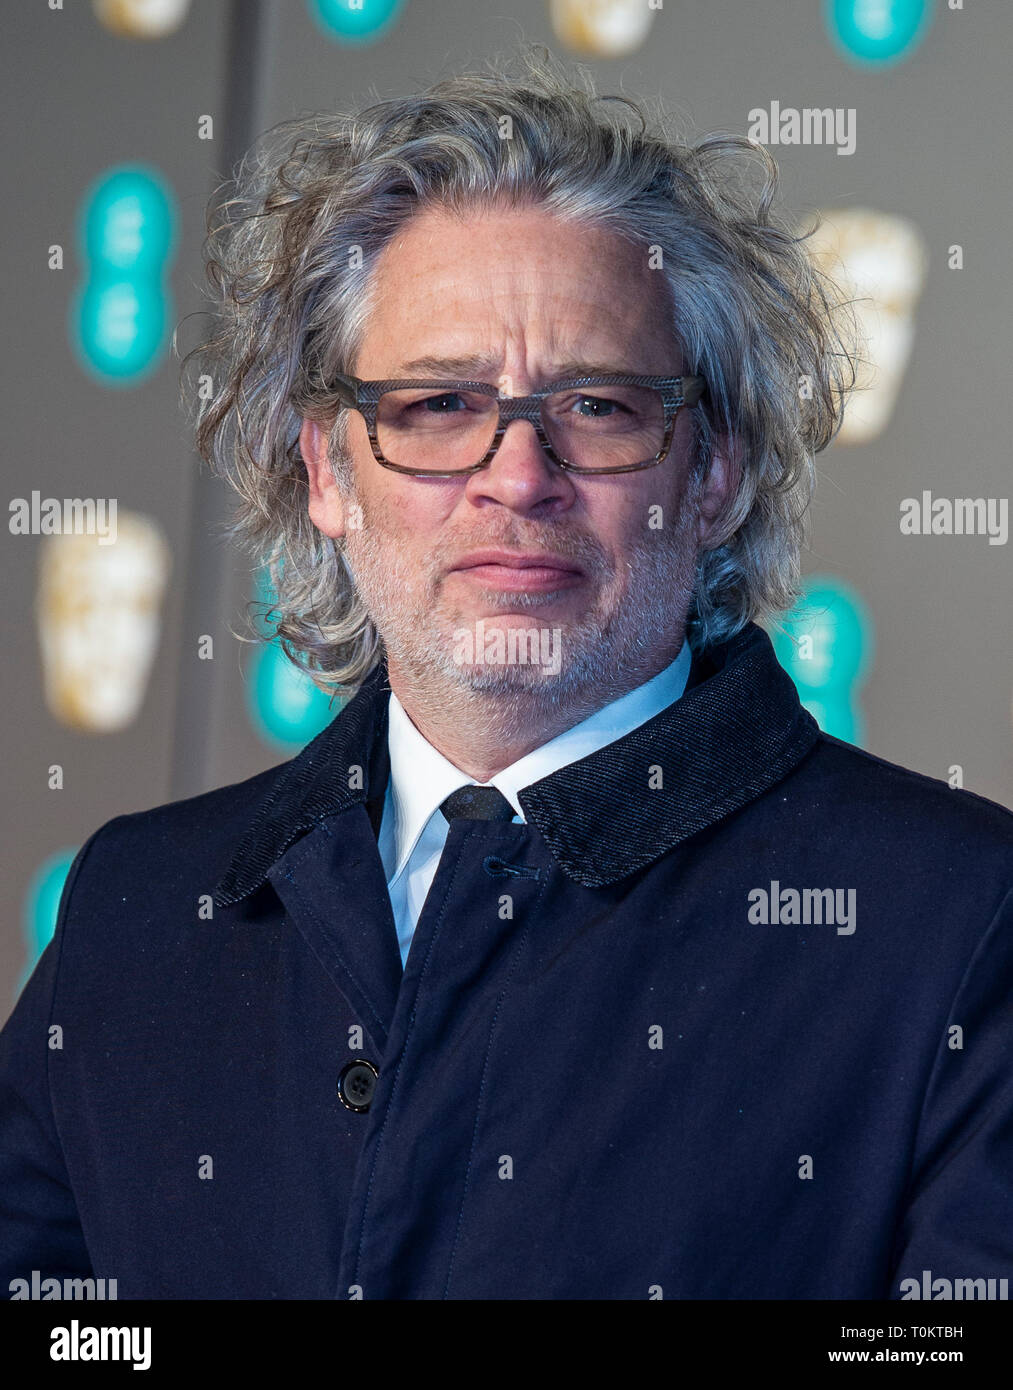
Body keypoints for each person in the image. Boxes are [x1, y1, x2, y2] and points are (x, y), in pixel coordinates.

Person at [2, 49, 1011, 1301]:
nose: (514, 477)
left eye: (595, 405)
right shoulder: (134, 907)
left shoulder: (966, 921)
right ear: (326, 470)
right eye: (434, 404)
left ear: (714, 473)